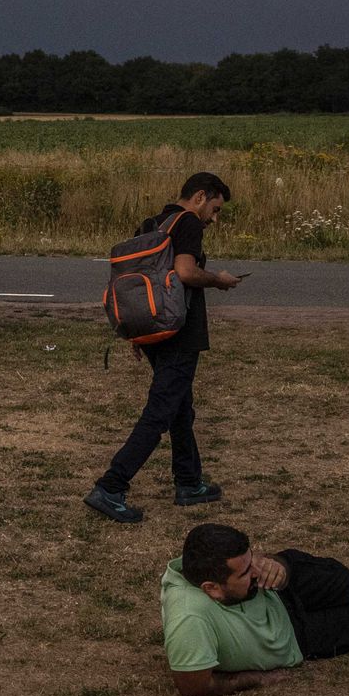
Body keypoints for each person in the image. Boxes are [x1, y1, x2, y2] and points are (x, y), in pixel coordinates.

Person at [85, 172, 244, 524]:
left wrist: (137, 333)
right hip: (179, 333)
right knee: (160, 412)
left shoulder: (155, 222)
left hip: (155, 331)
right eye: (215, 209)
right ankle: (112, 485)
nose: (214, 219)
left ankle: (188, 481)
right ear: (200, 196)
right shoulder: (188, 223)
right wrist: (218, 280)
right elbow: (186, 273)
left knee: (180, 409)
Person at [161, 523, 349, 696]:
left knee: (342, 579)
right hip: (295, 635)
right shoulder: (190, 617)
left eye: (251, 559)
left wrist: (274, 565)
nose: (256, 571)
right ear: (212, 588)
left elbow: (256, 567)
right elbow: (194, 688)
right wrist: (258, 679)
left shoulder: (210, 566)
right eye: (245, 572)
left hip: (277, 590)